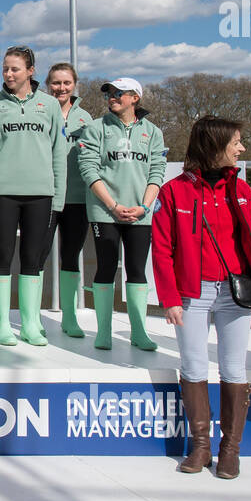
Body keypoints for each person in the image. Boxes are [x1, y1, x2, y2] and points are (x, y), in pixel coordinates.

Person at [153, 116, 251, 478]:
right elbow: (161, 247)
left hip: (235, 292)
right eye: (236, 142)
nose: (241, 148)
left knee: (234, 368)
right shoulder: (174, 191)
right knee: (193, 366)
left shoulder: (242, 189)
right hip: (193, 293)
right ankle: (200, 446)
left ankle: (230, 449)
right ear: (215, 145)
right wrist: (170, 298)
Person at [0, 45, 67, 347]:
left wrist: (58, 198)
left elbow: (58, 154)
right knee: (2, 256)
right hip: (2, 194)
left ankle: (30, 325)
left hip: (41, 194)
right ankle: (1, 327)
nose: (8, 74)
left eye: (14, 69)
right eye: (5, 69)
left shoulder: (49, 106)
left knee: (32, 260)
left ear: (30, 71)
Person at [77, 77, 166, 351]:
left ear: (135, 98)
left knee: (137, 270)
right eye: (109, 94)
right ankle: (104, 332)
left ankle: (138, 332)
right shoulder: (95, 128)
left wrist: (145, 206)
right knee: (104, 267)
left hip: (140, 213)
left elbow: (157, 172)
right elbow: (89, 170)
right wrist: (113, 205)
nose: (111, 97)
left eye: (118, 93)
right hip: (105, 212)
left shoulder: (153, 132)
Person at [46, 63, 95, 338]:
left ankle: (69, 316)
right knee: (36, 256)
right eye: (55, 83)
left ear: (74, 84)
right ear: (47, 84)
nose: (61, 88)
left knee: (71, 256)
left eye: (66, 83)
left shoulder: (86, 119)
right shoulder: (40, 112)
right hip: (46, 196)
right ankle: (32, 318)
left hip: (77, 198)